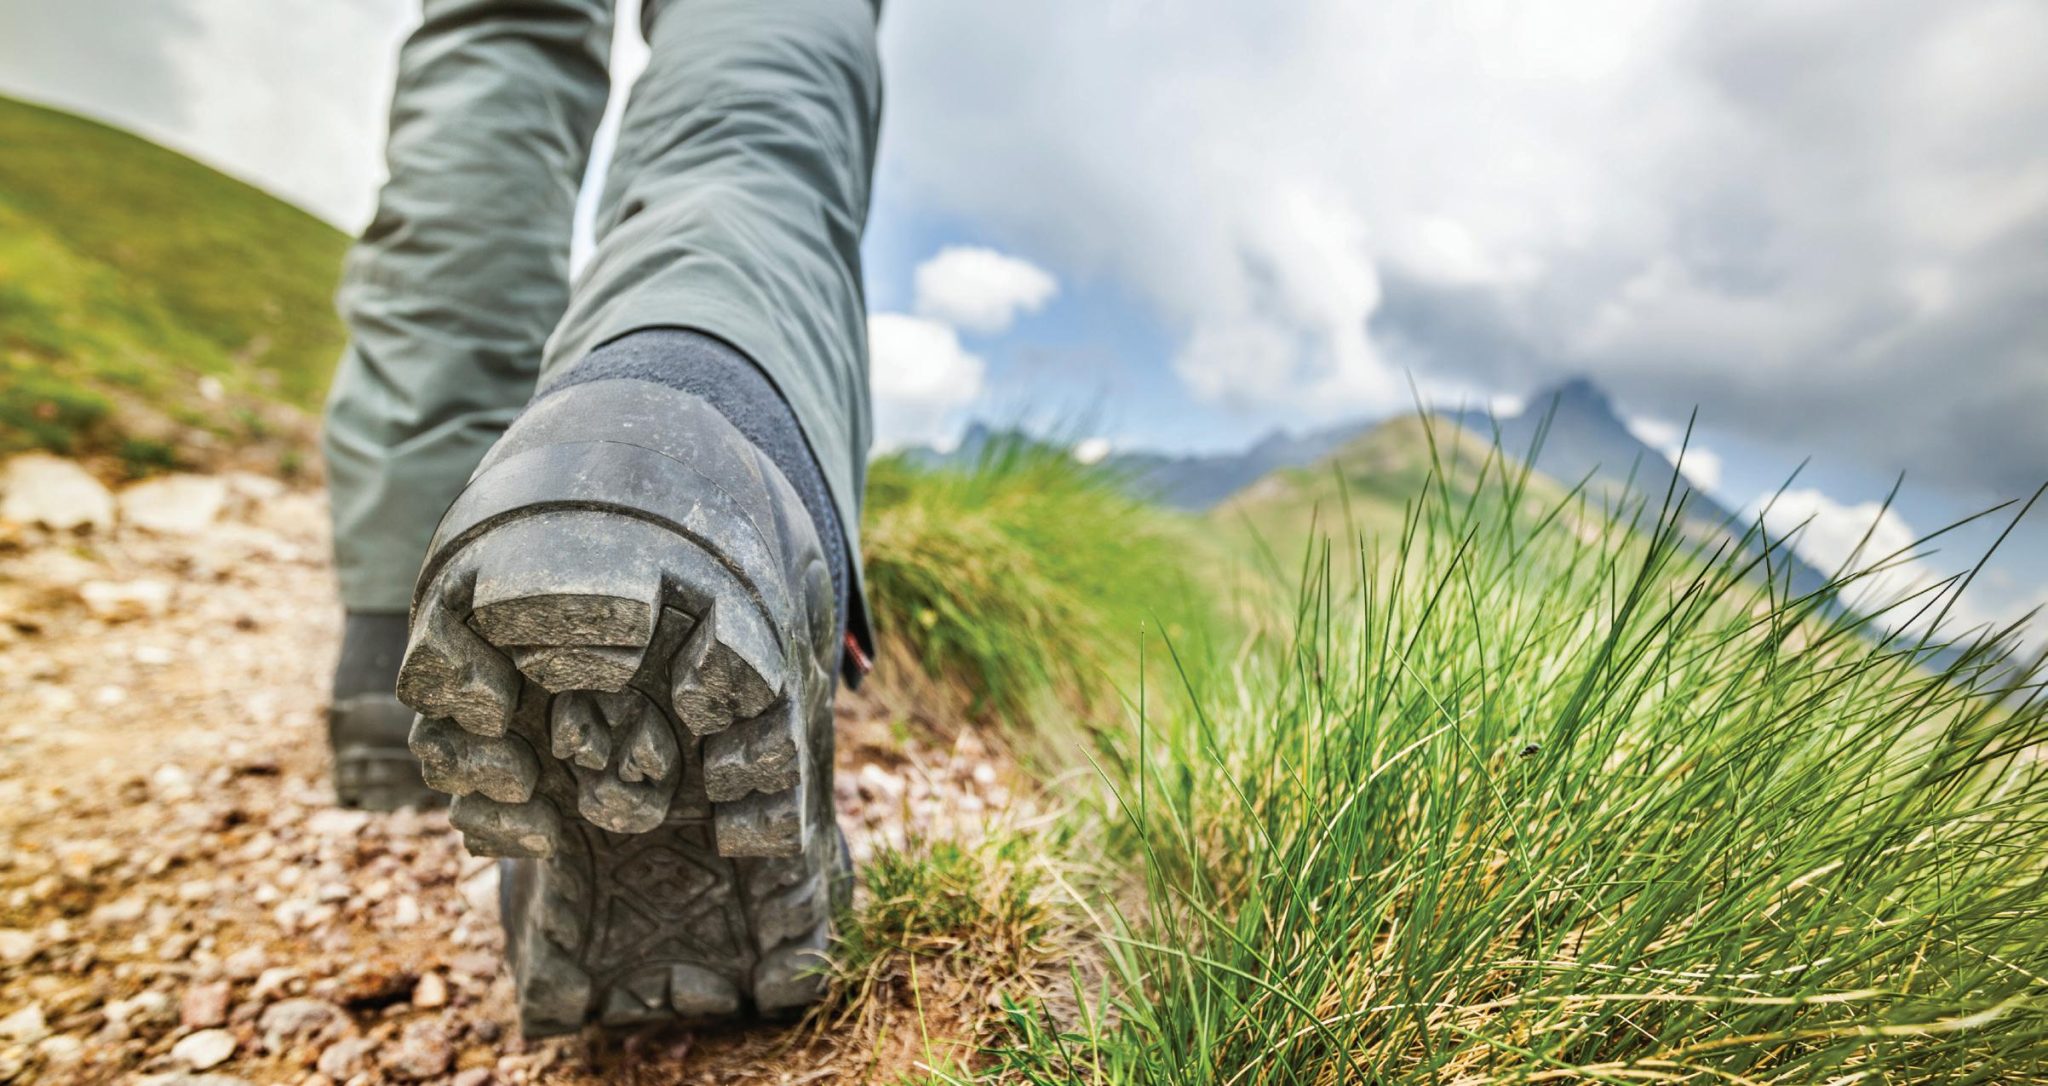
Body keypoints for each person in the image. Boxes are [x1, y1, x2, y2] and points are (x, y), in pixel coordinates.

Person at [318, 0, 880, 1037]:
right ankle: (694, 396)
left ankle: (391, 636)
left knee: (501, 31)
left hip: (419, 536)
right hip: (716, 420)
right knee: (757, 37)